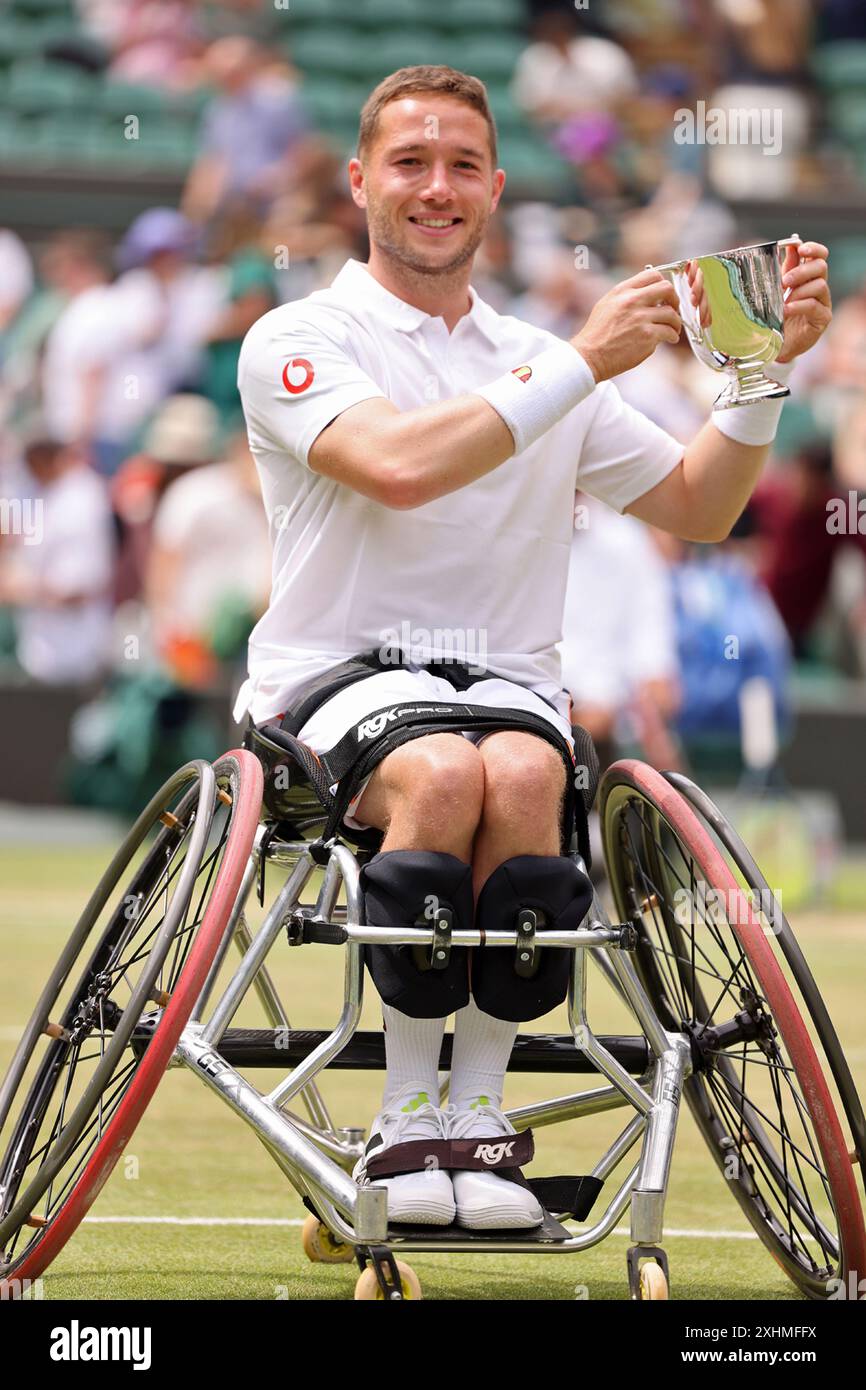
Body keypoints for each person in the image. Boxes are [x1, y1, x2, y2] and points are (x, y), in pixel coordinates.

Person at [234, 65, 831, 1230]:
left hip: (507, 689)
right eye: (409, 161)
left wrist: (758, 372)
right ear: (360, 181)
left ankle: (475, 1117)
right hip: (330, 684)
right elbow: (402, 468)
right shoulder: (297, 336)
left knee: (516, 769)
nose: (436, 187)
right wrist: (579, 360)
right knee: (454, 770)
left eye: (462, 164)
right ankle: (406, 1117)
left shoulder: (535, 356)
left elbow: (699, 505)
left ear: (495, 188)